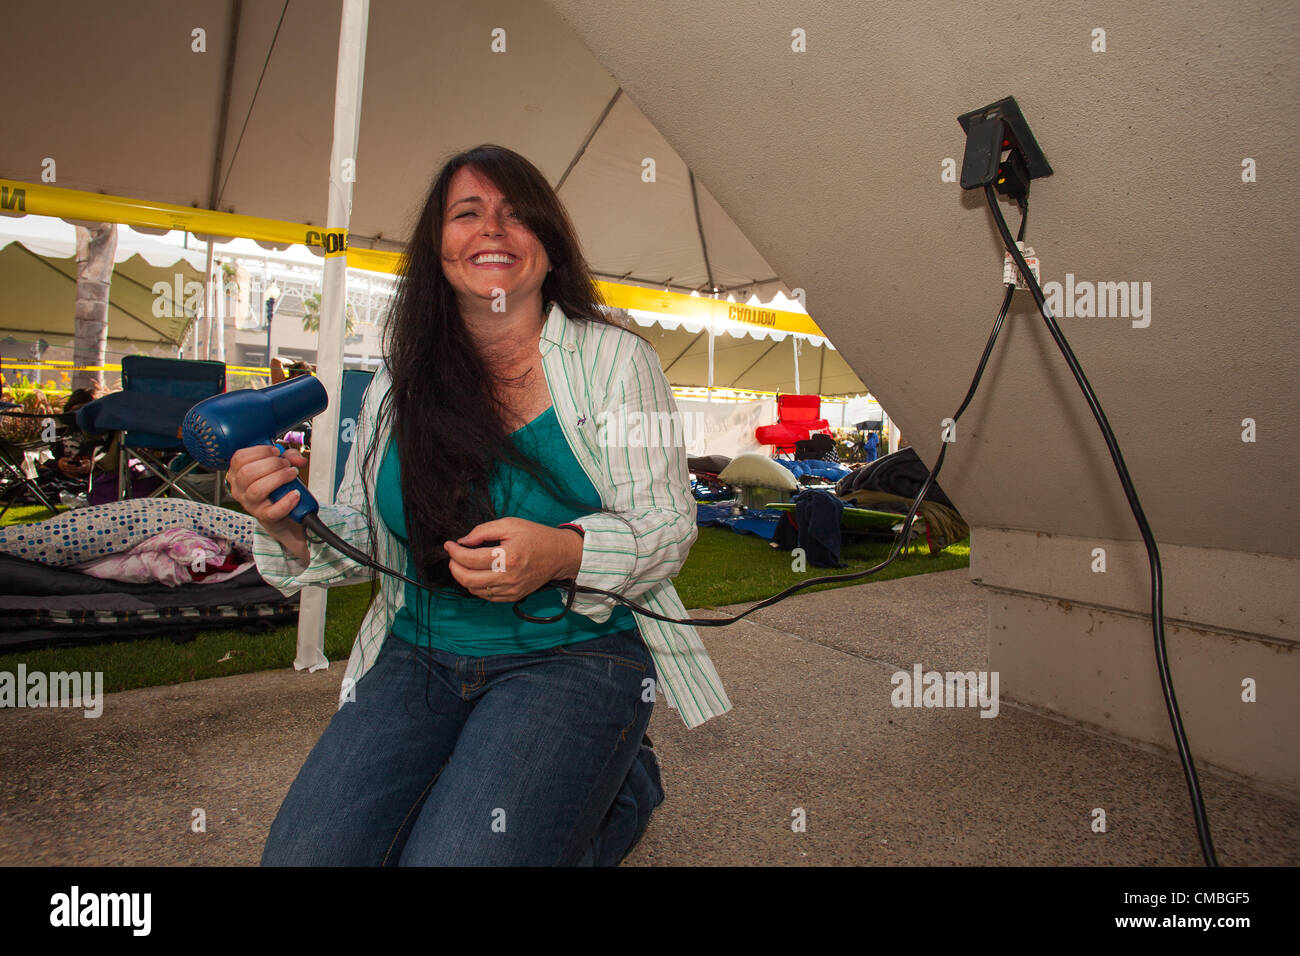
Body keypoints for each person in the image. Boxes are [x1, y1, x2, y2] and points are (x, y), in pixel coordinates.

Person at [228, 144, 732, 866]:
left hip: (578, 655)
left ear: (549, 250)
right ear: (438, 250)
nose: (493, 229)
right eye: (468, 214)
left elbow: (668, 526)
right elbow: (363, 542)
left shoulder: (616, 361)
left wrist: (562, 553)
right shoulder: (398, 385)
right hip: (418, 654)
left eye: (516, 214)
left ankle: (622, 784)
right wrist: (284, 518)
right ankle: (571, 791)